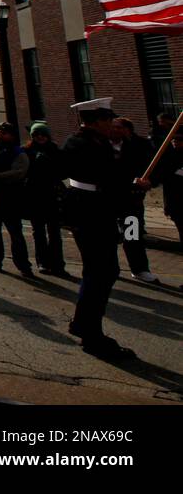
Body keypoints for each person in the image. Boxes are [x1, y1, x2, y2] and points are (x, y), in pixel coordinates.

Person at [62, 98, 135, 360]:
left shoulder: (81, 140)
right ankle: (91, 333)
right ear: (97, 121)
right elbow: (108, 179)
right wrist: (135, 186)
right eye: (108, 121)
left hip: (89, 210)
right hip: (93, 213)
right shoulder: (88, 145)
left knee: (99, 271)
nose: (112, 126)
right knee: (102, 271)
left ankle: (84, 324)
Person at [0, 122, 34, 277]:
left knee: (15, 233)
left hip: (11, 197)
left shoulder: (18, 153)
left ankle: (23, 265)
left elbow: (18, 173)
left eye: (4, 133)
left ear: (12, 135)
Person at [109, 116, 158, 283]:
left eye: (118, 127)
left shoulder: (138, 146)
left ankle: (139, 268)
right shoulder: (99, 146)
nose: (114, 130)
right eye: (112, 127)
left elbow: (150, 167)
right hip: (107, 200)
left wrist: (147, 182)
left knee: (132, 234)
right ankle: (110, 268)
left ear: (126, 130)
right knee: (108, 237)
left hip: (130, 201)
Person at [23, 122, 68, 277]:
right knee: (39, 232)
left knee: (55, 232)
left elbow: (63, 171)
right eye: (36, 135)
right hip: (34, 195)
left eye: (43, 134)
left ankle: (58, 264)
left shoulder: (55, 150)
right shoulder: (27, 151)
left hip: (52, 195)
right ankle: (42, 262)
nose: (40, 137)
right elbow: (24, 172)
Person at [143, 128, 183, 245]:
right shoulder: (168, 157)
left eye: (180, 139)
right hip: (175, 202)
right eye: (173, 139)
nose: (176, 141)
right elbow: (162, 176)